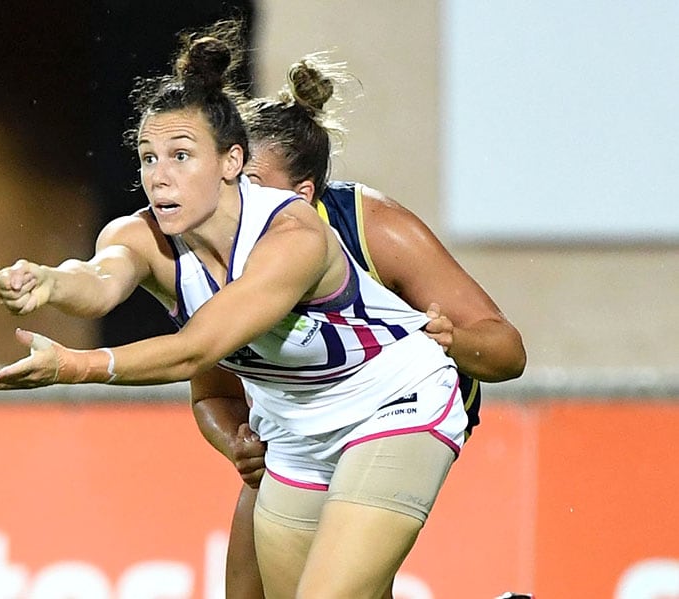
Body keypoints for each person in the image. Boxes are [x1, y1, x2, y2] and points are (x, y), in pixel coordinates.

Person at [0, 20, 522, 599]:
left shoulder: (295, 235)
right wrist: (51, 283)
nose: (158, 177)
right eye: (147, 158)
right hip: (293, 429)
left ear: (231, 163)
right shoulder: (142, 235)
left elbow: (197, 349)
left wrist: (72, 366)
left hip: (393, 402)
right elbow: (100, 278)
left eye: (181, 156)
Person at [190, 53, 527, 598]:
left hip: (394, 409)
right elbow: (211, 391)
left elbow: (507, 351)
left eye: (248, 181)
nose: (229, 197)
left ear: (301, 196)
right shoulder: (210, 247)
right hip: (299, 429)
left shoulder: (374, 227)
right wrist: (237, 441)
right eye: (225, 178)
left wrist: (451, 339)